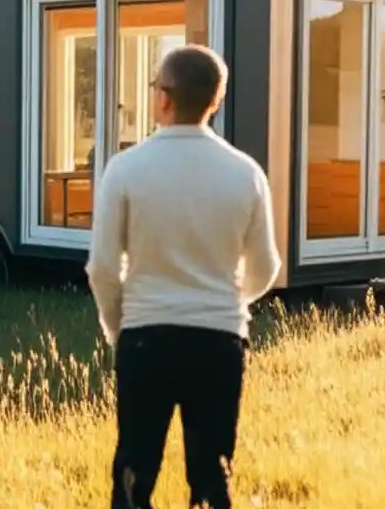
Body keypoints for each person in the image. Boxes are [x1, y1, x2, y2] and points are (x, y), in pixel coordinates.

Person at [85, 44, 282, 509]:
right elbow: (266, 267)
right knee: (212, 477)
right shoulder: (246, 173)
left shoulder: (126, 169)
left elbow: (102, 268)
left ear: (165, 98)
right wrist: (227, 300)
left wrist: (120, 327)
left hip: (145, 339)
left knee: (134, 475)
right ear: (215, 100)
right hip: (218, 343)